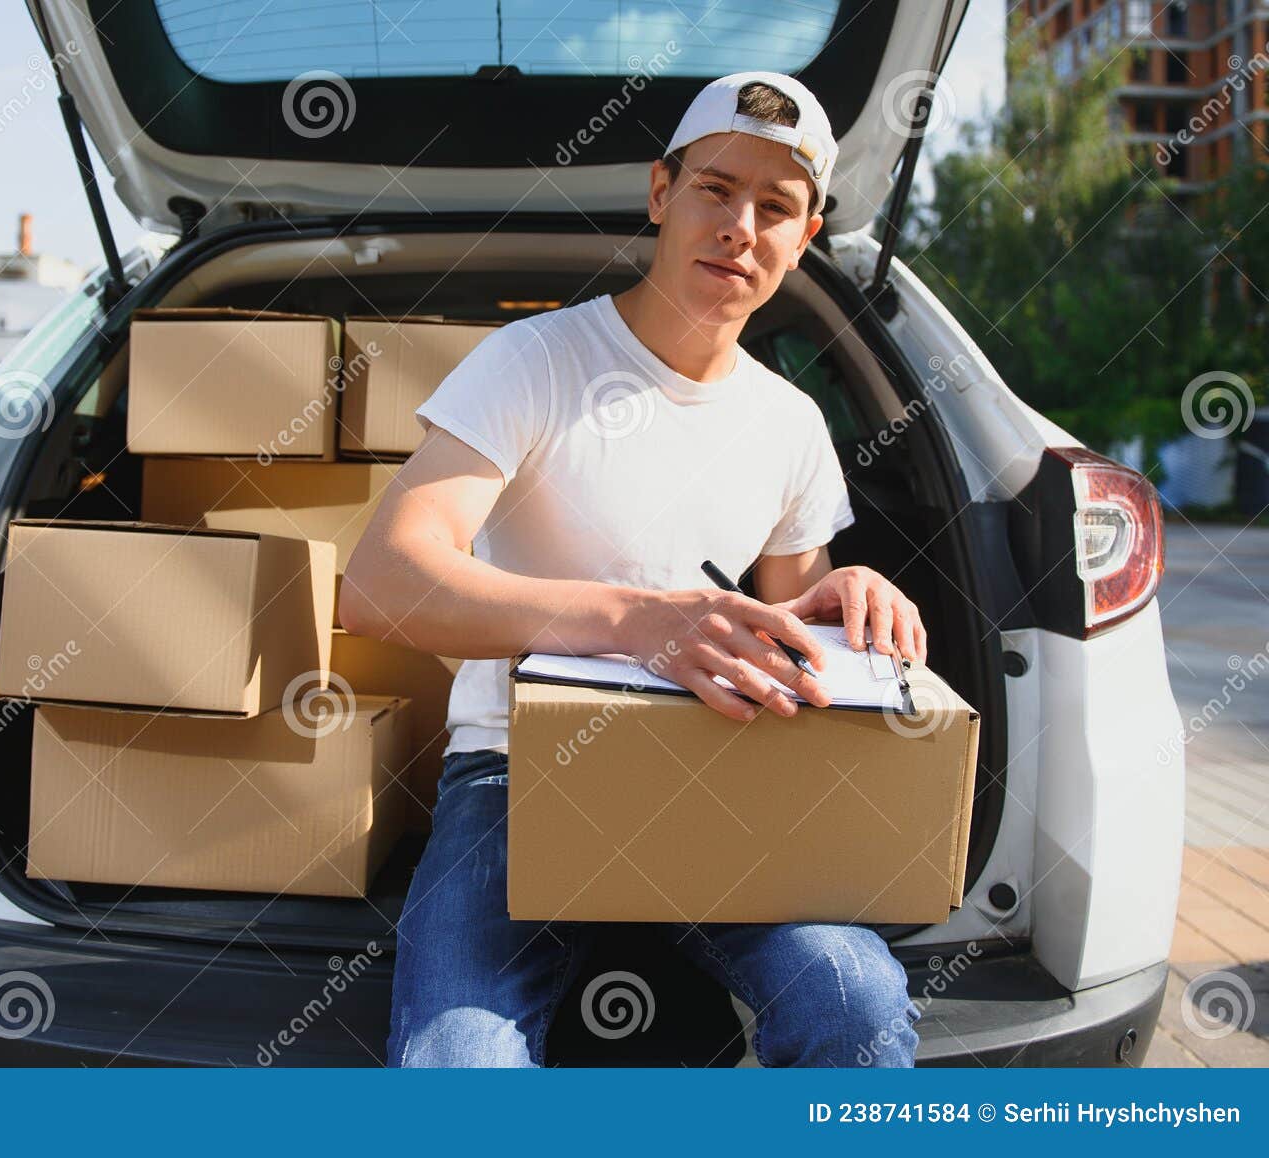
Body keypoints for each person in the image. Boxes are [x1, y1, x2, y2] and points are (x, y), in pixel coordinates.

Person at [339, 71, 930, 1068]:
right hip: (514, 778)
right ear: (661, 192)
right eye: (715, 189)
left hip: (714, 774)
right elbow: (381, 584)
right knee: (456, 1065)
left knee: (856, 1003)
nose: (740, 227)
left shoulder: (790, 424)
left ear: (806, 234)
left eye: (775, 207)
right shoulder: (531, 362)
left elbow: (791, 637)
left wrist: (837, 607)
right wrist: (636, 619)